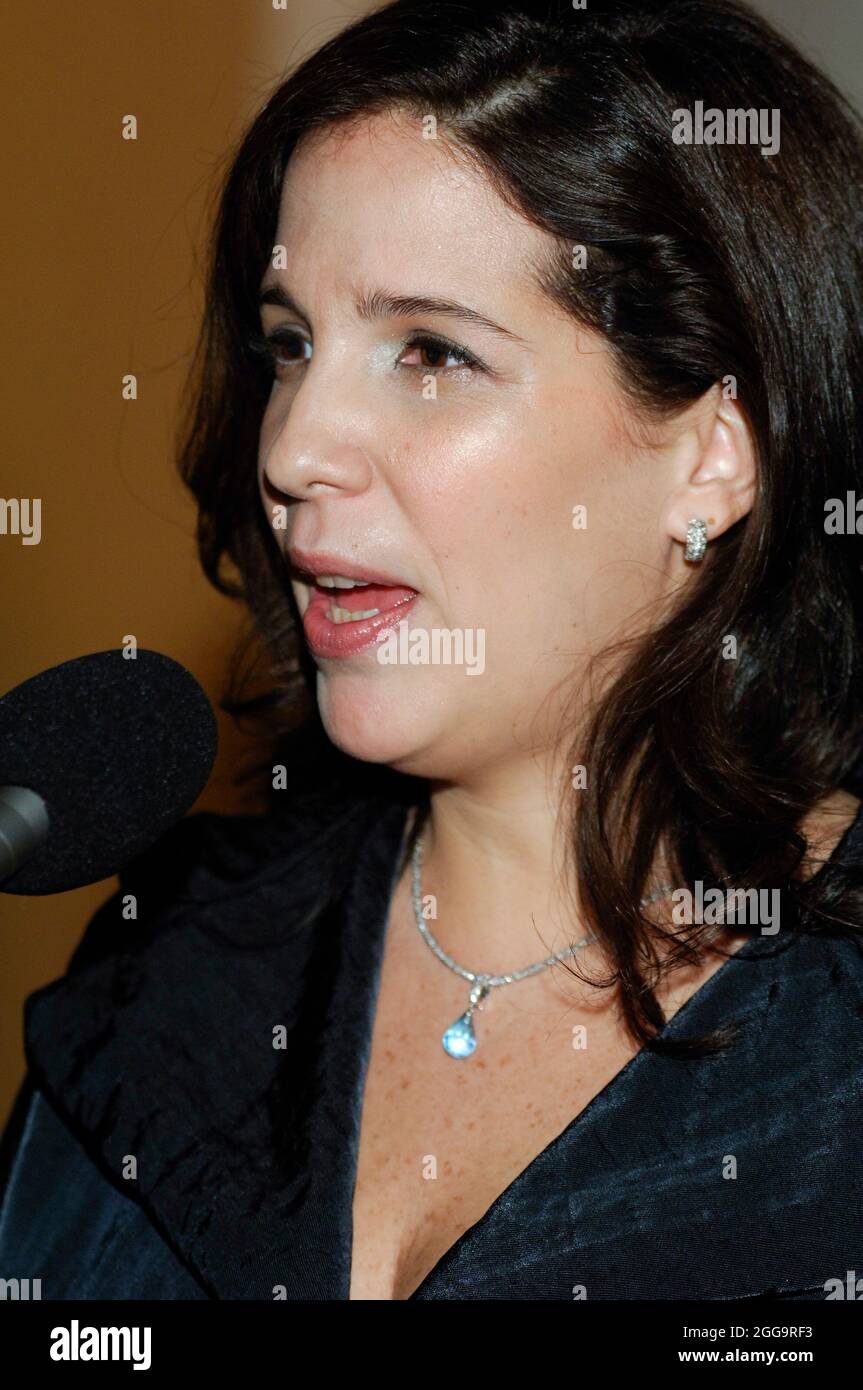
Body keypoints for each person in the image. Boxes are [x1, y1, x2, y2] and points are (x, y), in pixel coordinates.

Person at [2, 0, 863, 1301]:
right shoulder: (168, 972)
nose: (292, 448)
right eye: (291, 344)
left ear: (710, 454)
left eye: (430, 352)